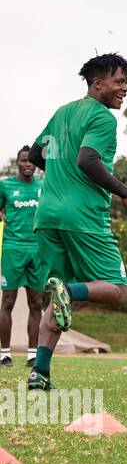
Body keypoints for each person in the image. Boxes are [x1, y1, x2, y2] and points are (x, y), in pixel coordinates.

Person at [24, 53, 127, 390]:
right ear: (98, 83)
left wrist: (60, 177)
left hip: (47, 215)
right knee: (115, 287)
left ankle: (40, 373)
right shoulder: (103, 119)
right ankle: (70, 290)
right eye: (118, 82)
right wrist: (126, 192)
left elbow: (36, 155)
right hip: (83, 217)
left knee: (55, 300)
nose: (124, 89)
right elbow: (88, 160)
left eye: (126, 82)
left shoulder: (63, 112)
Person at [0, 146, 45, 367]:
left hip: (38, 250)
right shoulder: (5, 185)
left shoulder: (43, 186)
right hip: (12, 248)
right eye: (24, 161)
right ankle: (5, 354)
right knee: (7, 301)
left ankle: (33, 354)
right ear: (17, 162)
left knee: (36, 303)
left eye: (31, 162)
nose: (28, 164)